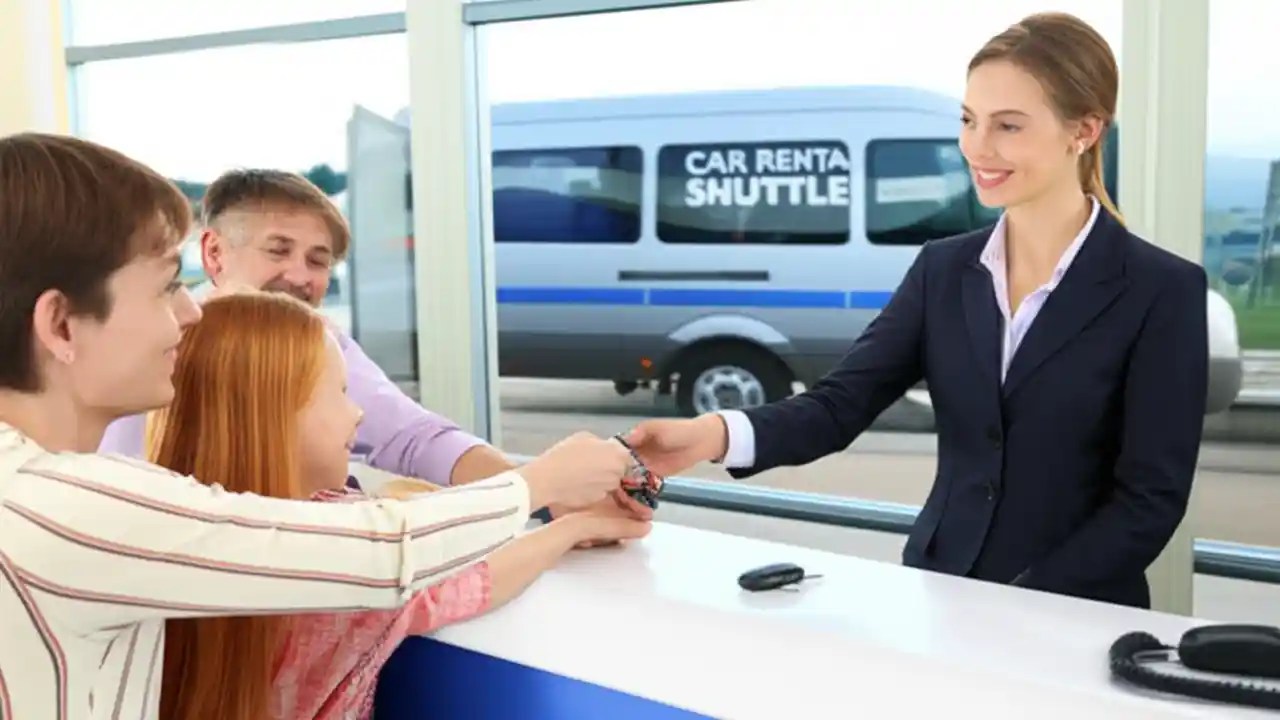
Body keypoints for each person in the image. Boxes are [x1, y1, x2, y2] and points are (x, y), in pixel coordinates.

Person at [0, 132, 636, 720]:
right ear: (60, 326)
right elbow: (384, 552)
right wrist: (543, 482)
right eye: (167, 288)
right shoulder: (64, 509)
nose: (191, 311)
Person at [624, 12, 1208, 610]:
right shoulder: (942, 270)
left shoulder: (1162, 290)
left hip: (1075, 617)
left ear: (1083, 130)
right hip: (941, 595)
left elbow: (1148, 501)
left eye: (1007, 125)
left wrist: (1028, 603)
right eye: (968, 120)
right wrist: (710, 434)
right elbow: (838, 406)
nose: (977, 147)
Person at [148, 291, 651, 720]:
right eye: (340, 392)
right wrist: (559, 510)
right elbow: (459, 578)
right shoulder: (340, 555)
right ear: (272, 417)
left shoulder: (152, 524)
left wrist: (563, 523)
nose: (359, 411)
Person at [98, 169, 513, 490]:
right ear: (214, 253)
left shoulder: (323, 344)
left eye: (317, 261)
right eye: (278, 251)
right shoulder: (148, 345)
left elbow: (413, 437)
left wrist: (530, 489)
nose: (299, 276)